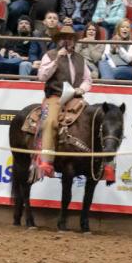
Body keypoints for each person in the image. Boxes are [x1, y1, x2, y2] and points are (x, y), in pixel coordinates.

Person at [34, 26, 92, 179]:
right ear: (59, 40)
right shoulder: (50, 55)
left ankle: (97, 163)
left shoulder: (80, 58)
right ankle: (46, 161)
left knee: (92, 119)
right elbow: (42, 77)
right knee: (50, 122)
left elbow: (87, 79)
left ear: (74, 41)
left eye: (70, 38)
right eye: (64, 38)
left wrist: (81, 89)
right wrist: (56, 60)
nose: (67, 41)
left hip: (75, 98)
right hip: (55, 97)